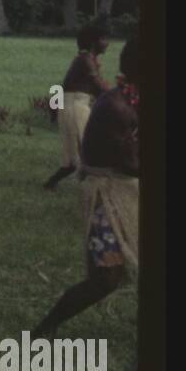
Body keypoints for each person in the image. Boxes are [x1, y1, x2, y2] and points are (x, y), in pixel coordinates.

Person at [33, 38, 139, 337]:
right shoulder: (117, 107)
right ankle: (45, 329)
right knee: (105, 280)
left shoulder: (135, 98)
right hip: (109, 197)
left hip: (127, 191)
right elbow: (133, 164)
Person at [43, 22, 111, 190]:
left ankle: (50, 184)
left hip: (74, 107)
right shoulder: (85, 60)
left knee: (74, 160)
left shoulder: (85, 60)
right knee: (88, 153)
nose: (107, 43)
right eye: (103, 39)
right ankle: (96, 188)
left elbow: (68, 86)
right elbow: (99, 87)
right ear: (94, 42)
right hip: (75, 108)